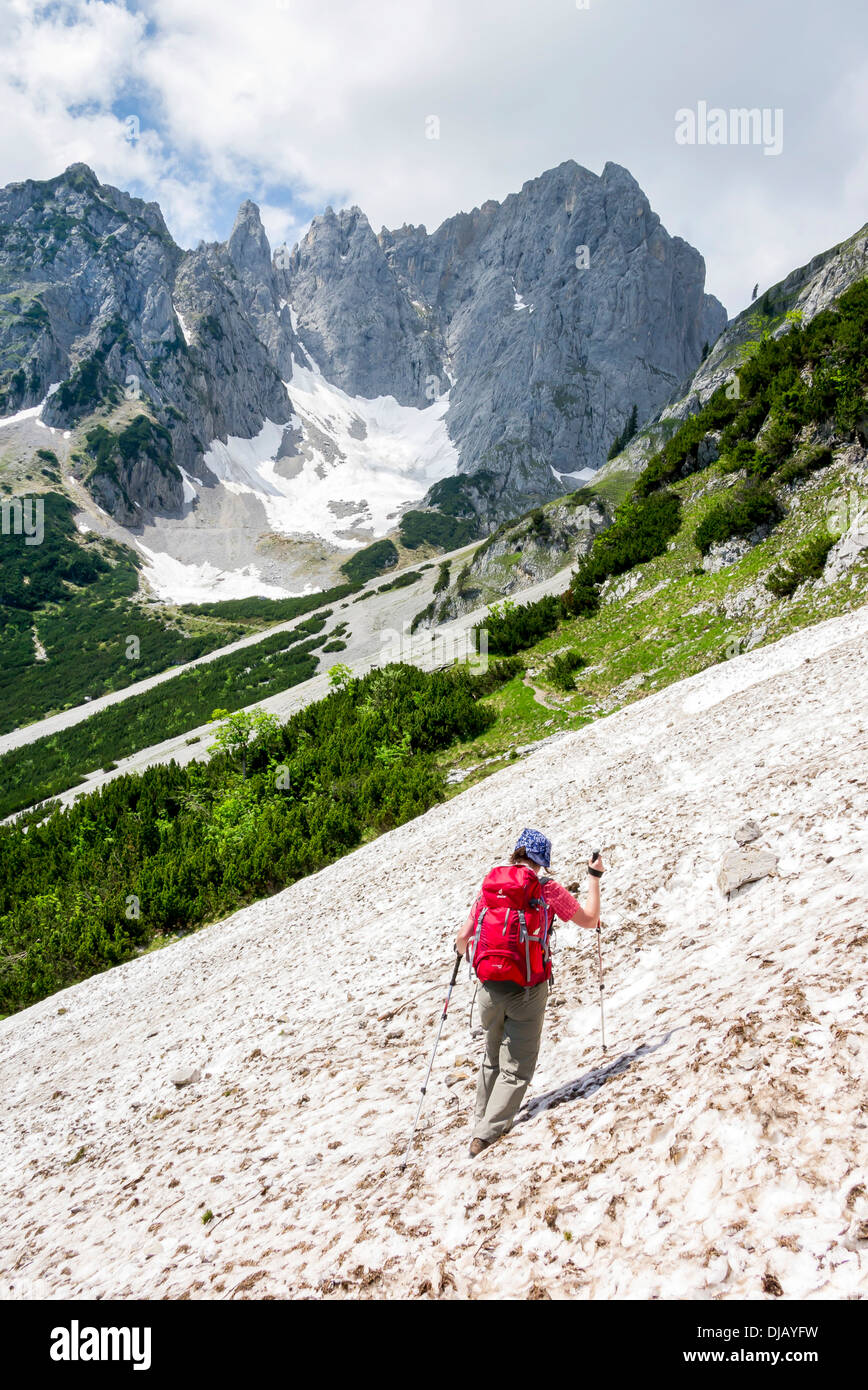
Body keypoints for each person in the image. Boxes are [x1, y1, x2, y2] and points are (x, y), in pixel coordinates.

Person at [454, 828, 605, 1158]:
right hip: (527, 987)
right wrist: (594, 876)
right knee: (517, 1066)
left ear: (516, 855)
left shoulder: (492, 885)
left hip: (488, 987)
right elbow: (591, 920)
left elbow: (463, 936)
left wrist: (463, 951)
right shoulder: (545, 889)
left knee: (491, 1056)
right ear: (542, 863)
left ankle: (481, 1120)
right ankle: (485, 1134)